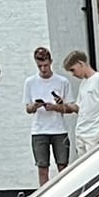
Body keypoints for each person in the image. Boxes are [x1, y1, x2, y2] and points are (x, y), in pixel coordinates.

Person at [23, 46, 72, 184]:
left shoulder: (62, 82)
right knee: (42, 167)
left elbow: (70, 108)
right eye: (40, 66)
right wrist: (34, 106)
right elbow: (27, 108)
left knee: (63, 166)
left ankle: (65, 194)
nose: (43, 69)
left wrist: (56, 107)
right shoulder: (30, 82)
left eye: (45, 65)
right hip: (39, 130)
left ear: (51, 62)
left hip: (59, 129)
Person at [61, 50, 99, 162]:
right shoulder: (83, 83)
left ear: (81, 64)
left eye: (73, 70)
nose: (73, 74)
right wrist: (65, 104)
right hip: (81, 133)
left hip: (95, 134)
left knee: (97, 165)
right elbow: (79, 108)